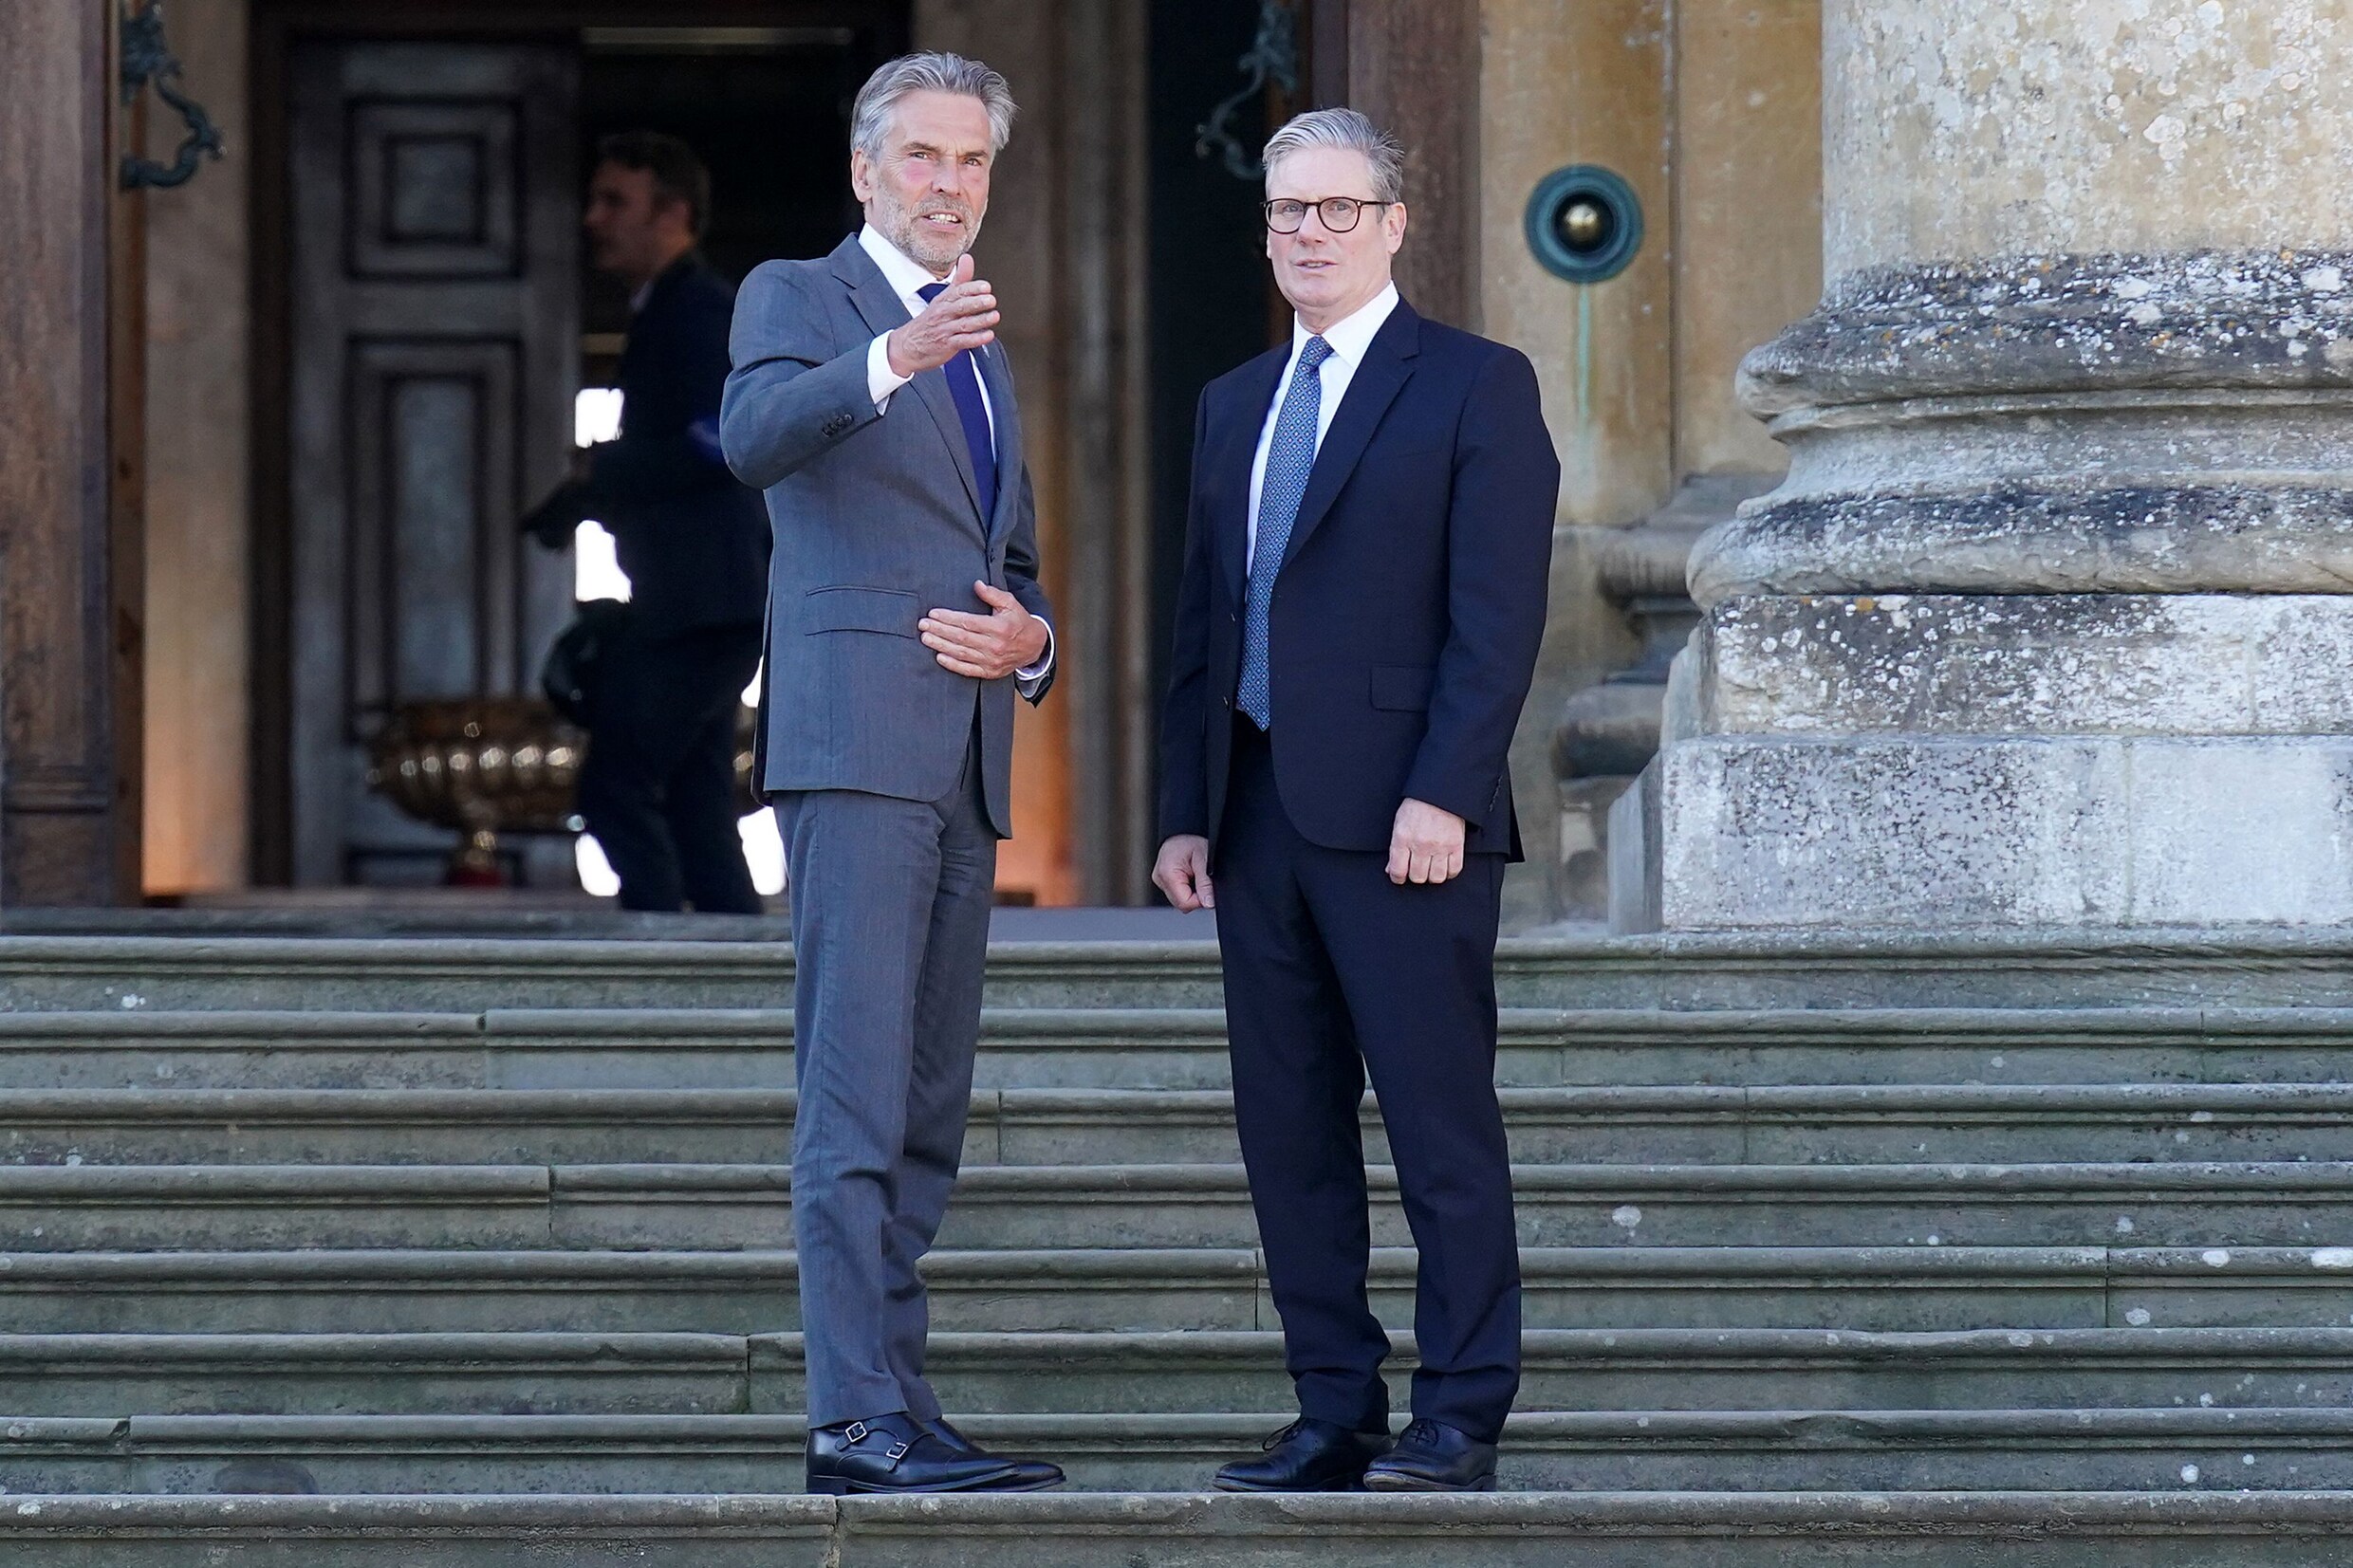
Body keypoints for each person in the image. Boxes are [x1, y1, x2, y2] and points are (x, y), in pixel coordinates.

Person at [1153, 107, 1561, 1494]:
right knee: (1289, 1133)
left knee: (1440, 1126)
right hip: (1255, 814)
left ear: (1394, 223)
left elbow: (1497, 619)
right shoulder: (1231, 402)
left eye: (1335, 210)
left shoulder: (1475, 383)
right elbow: (1203, 623)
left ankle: (1461, 1415)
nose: (1308, 235)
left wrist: (1444, 789)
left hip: (1408, 823)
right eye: (1287, 215)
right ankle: (1334, 1405)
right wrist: (1181, 809)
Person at [719, 53, 1063, 1495]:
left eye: (971, 162)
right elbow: (750, 439)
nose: (947, 185)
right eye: (921, 158)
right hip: (856, 749)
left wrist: (1033, 646)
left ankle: (901, 1404)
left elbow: (1015, 563)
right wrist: (893, 358)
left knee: (924, 1112)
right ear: (867, 172)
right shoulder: (801, 297)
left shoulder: (981, 341)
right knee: (852, 1103)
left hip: (968, 763)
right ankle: (850, 1421)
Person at [527, 132, 771, 913]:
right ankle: (734, 989)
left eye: (615, 202)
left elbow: (723, 433)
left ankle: (657, 979)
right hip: (703, 602)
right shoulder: (671, 307)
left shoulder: (696, 308)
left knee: (616, 790)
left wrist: (607, 471)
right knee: (696, 805)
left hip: (699, 607)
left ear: (674, 214)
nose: (593, 219)